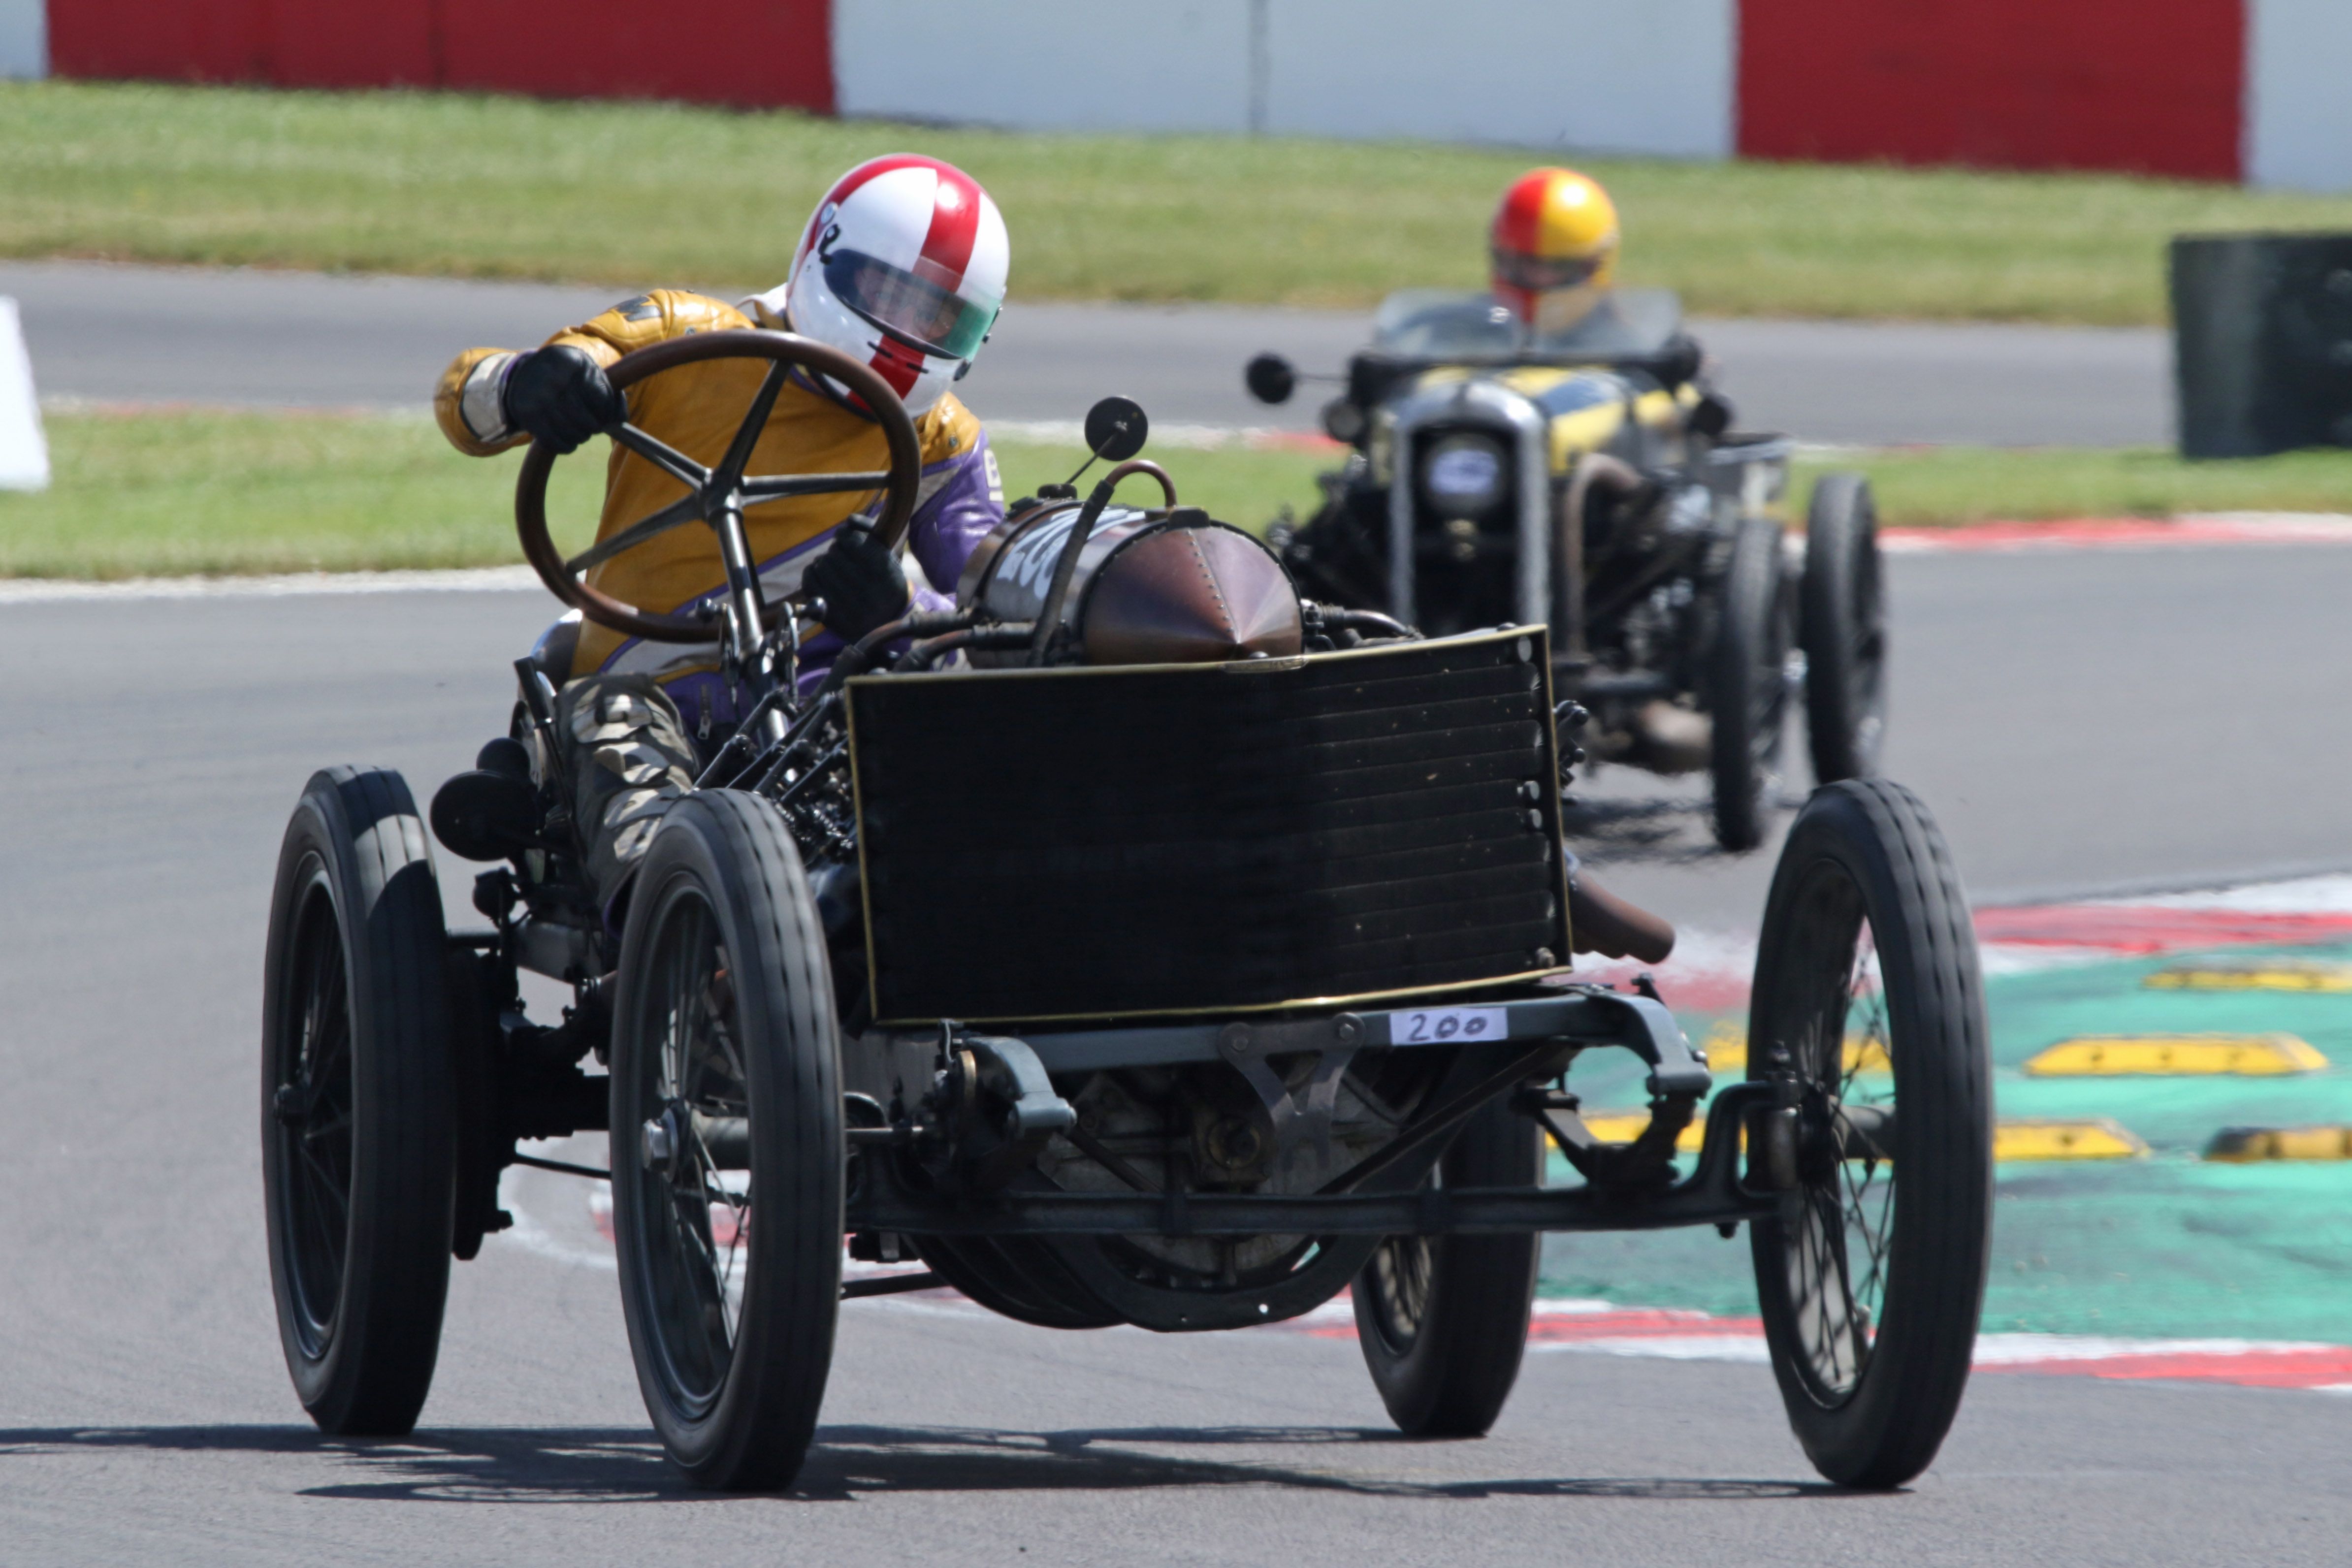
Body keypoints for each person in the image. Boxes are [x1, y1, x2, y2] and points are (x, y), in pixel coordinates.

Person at [432, 154, 1010, 899]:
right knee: (622, 748)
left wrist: (898, 615)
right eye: (888, 293)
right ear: (825, 254)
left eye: (936, 316)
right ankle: (667, 925)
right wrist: (529, 382)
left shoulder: (946, 440)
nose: (907, 328)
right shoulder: (681, 333)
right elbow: (465, 402)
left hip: (828, 706)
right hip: (645, 691)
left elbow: (992, 616)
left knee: (974, 770)